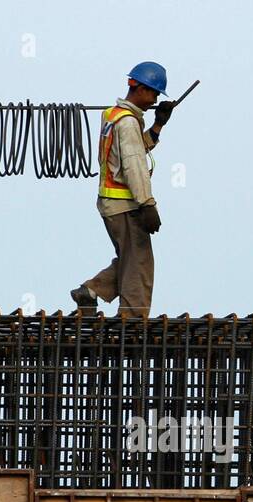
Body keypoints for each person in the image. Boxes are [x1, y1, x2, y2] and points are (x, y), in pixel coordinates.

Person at [70, 61, 177, 319]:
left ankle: (91, 292)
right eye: (153, 93)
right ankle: (131, 320)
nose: (153, 100)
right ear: (139, 88)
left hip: (110, 204)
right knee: (140, 264)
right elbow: (133, 166)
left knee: (131, 259)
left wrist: (158, 125)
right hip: (126, 205)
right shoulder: (127, 123)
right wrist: (147, 204)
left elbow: (133, 151)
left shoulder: (113, 115)